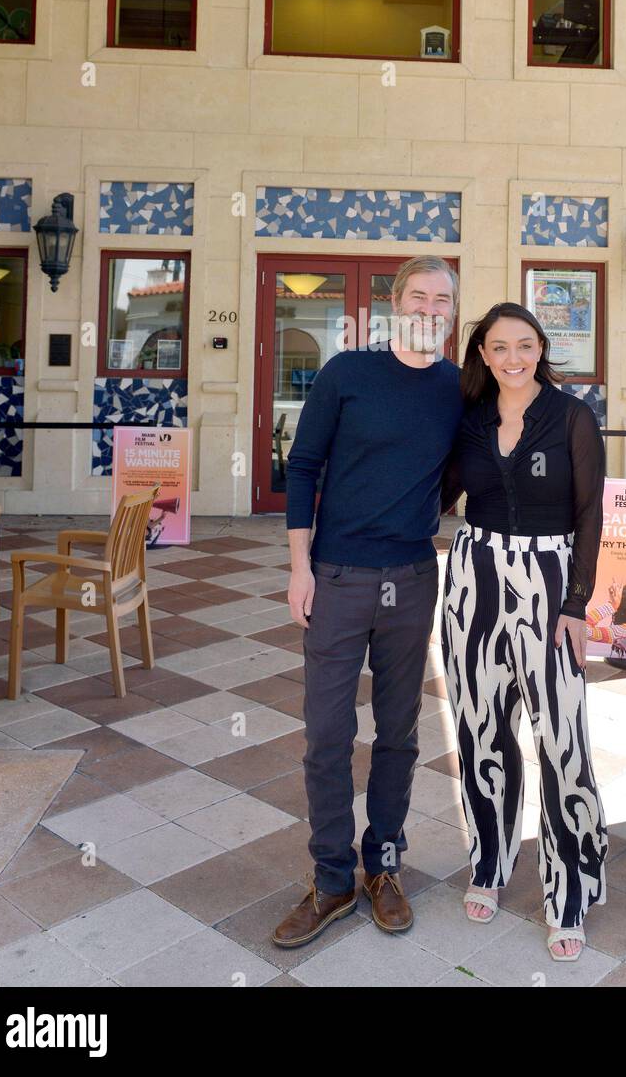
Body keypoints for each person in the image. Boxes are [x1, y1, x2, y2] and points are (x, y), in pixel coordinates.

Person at [272, 256, 464, 948]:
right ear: (394, 302)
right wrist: (300, 566)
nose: (430, 307)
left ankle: (383, 867)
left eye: (442, 299)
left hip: (411, 578)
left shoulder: (455, 387)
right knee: (326, 735)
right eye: (419, 295)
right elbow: (302, 466)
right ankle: (330, 880)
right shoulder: (346, 373)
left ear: (450, 310)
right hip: (339, 576)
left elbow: (466, 465)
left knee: (399, 733)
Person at [440, 302, 608, 962]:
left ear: (540, 349)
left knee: (560, 736)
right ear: (482, 355)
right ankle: (490, 858)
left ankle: (569, 884)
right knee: (480, 726)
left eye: (525, 345)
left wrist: (576, 602)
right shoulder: (470, 421)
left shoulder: (570, 417)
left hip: (549, 575)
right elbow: (438, 494)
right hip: (473, 575)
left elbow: (591, 510)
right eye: (499, 348)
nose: (513, 358)